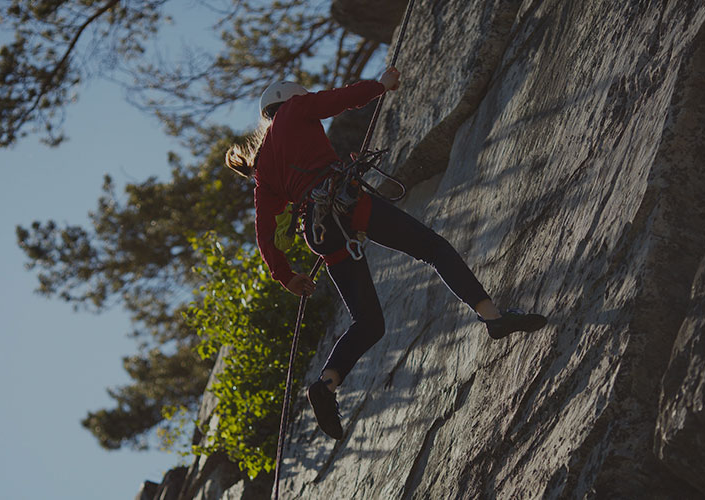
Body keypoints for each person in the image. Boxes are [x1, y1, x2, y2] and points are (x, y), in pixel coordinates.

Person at [225, 67, 547, 440]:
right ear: (292, 97)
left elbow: (265, 235)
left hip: (320, 230)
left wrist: (287, 276)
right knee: (433, 248)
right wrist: (379, 86)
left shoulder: (263, 169)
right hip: (345, 203)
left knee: (368, 323)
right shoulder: (298, 108)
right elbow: (338, 100)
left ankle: (326, 385)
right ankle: (493, 317)